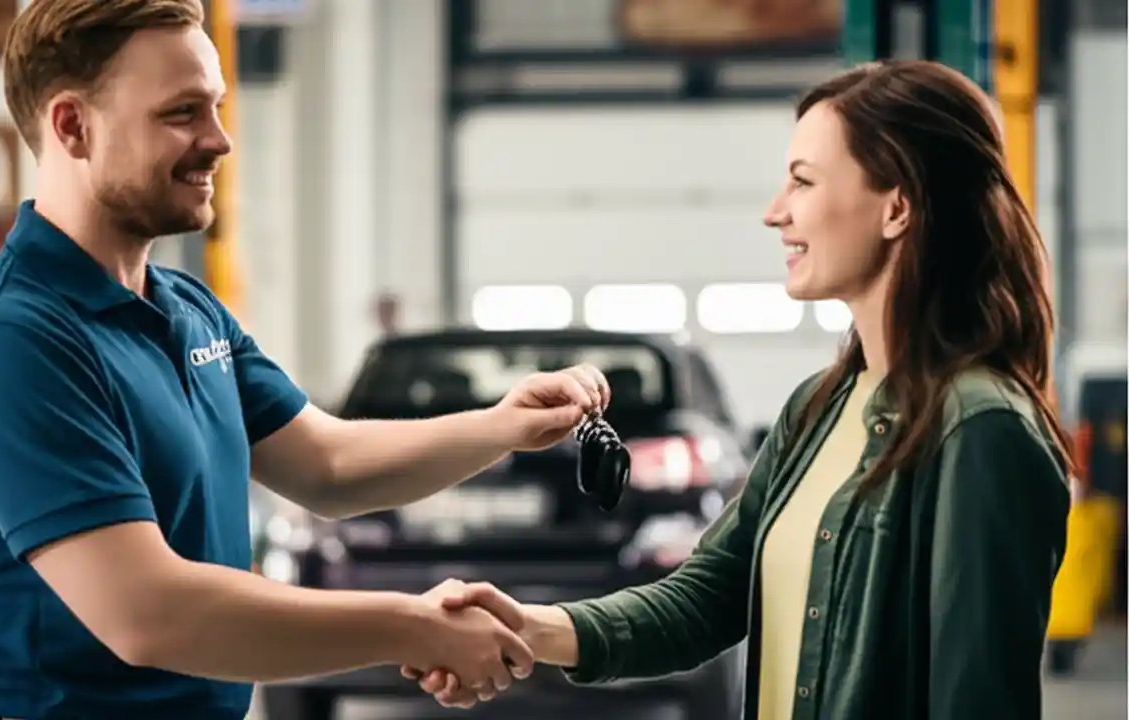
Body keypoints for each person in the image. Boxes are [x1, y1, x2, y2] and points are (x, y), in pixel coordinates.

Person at [0, 1, 615, 718]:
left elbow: (328, 464)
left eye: (216, 107)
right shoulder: (10, 342)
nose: (219, 141)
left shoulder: (186, 310)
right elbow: (149, 614)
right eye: (182, 112)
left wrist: (501, 426)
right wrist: (411, 626)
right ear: (73, 126)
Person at [402, 59, 1075, 719]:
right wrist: (533, 628)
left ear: (897, 206)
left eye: (803, 183)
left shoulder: (981, 429)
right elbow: (711, 596)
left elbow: (979, 700)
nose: (774, 213)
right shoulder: (818, 408)